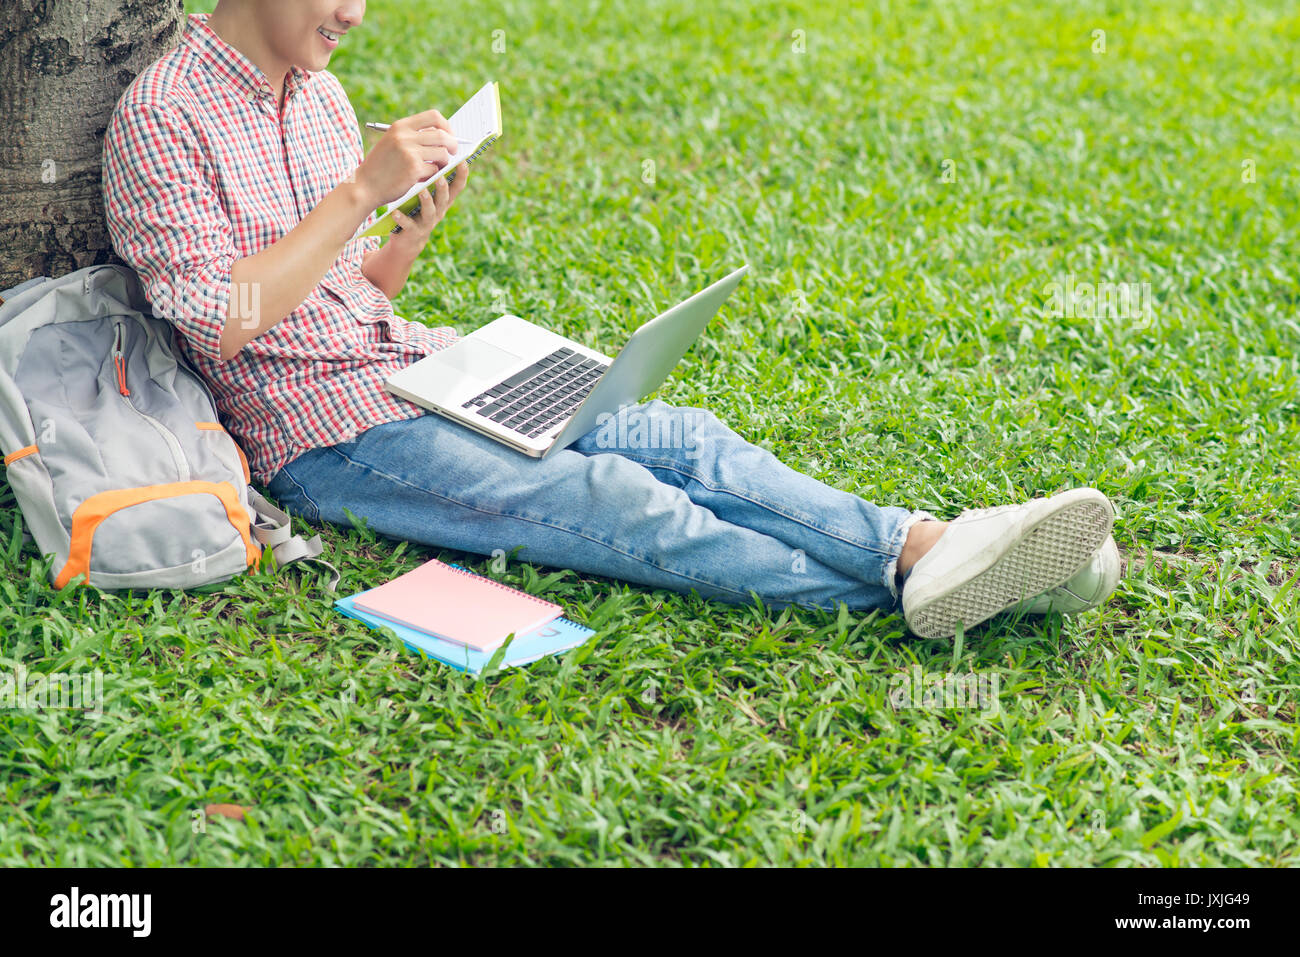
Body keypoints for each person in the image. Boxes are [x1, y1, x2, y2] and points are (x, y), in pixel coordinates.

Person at [101, 1, 1121, 640]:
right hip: (324, 436)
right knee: (613, 501)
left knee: (683, 439)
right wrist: (357, 196)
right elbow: (222, 321)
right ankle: (934, 589)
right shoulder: (164, 114)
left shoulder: (315, 95)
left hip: (413, 366)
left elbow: (344, 296)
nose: (357, 15)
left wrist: (399, 238)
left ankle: (923, 544)